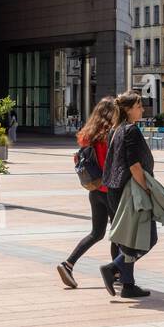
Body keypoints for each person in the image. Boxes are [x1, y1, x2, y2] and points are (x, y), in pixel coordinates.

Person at [57, 97, 121, 289]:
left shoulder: (87, 134)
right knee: (117, 233)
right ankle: (116, 273)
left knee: (96, 232)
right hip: (109, 190)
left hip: (94, 189)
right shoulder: (109, 134)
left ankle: (68, 264)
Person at [98, 91, 156, 299]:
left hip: (113, 190)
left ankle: (128, 285)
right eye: (139, 105)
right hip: (129, 191)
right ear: (128, 109)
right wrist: (147, 189)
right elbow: (134, 165)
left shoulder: (116, 129)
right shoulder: (131, 130)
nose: (142, 109)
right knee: (148, 238)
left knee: (128, 240)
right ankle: (113, 268)